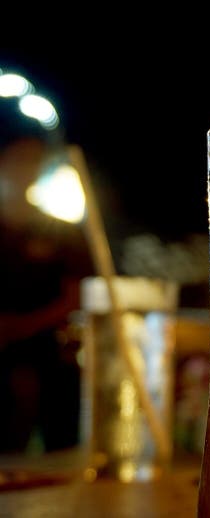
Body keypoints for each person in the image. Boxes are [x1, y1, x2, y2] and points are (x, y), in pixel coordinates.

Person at [0, 137, 91, 452]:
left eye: (34, 160)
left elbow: (77, 295)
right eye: (19, 158)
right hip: (4, 359)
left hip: (52, 354)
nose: (27, 167)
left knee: (62, 443)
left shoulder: (60, 230)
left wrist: (21, 326)